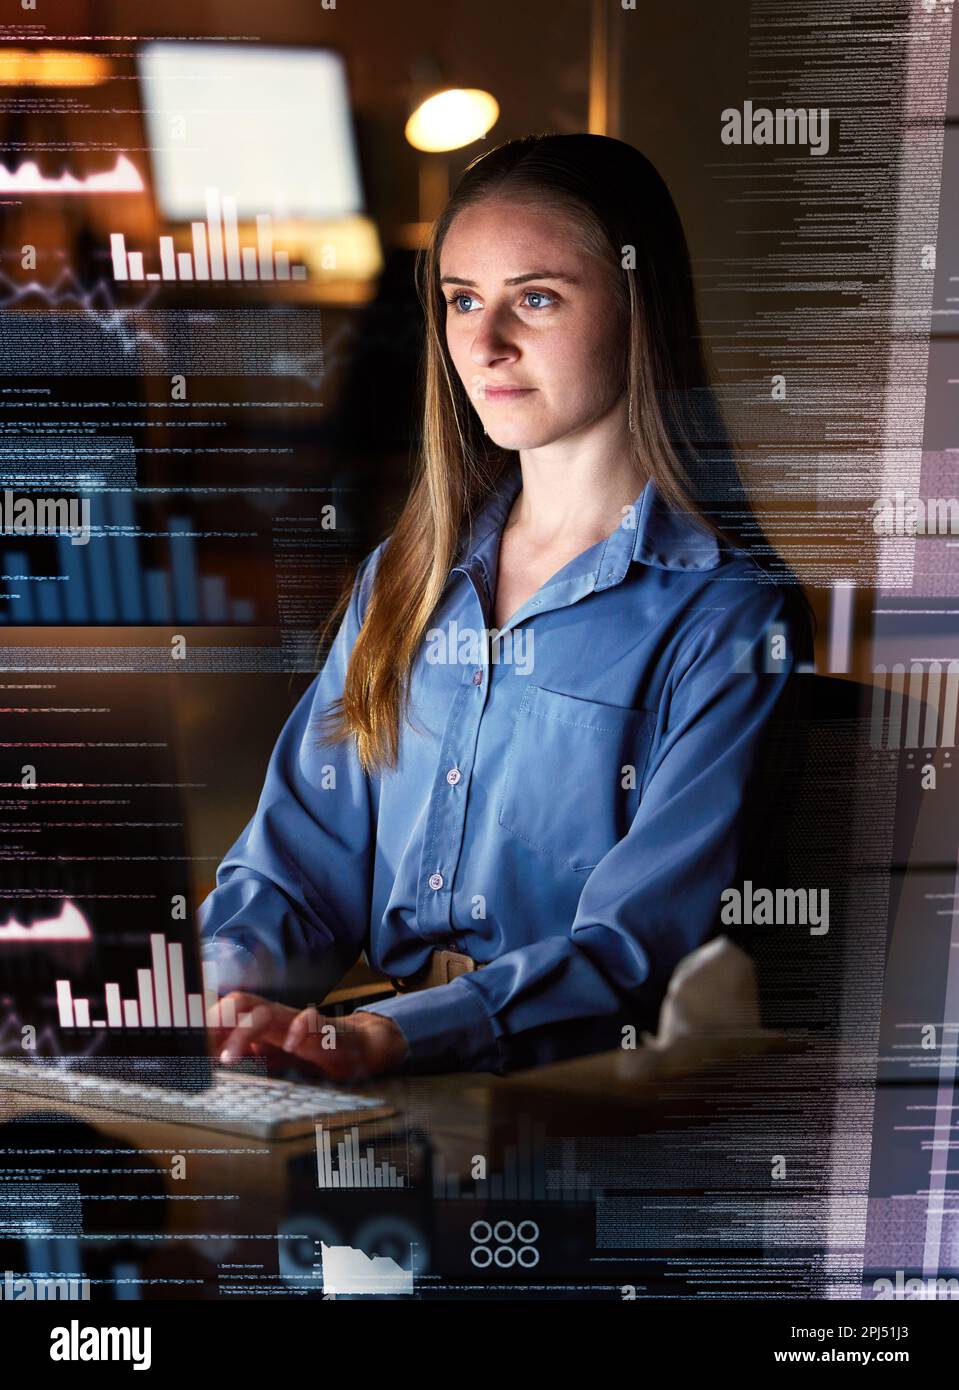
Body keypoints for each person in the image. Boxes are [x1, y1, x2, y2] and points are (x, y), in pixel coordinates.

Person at [199, 133, 812, 1080]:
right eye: (460, 301)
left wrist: (399, 1035)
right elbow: (295, 869)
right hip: (377, 1065)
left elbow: (640, 949)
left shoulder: (725, 618)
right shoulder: (403, 577)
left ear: (636, 308)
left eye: (535, 297)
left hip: (582, 1105)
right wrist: (217, 994)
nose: (482, 344)